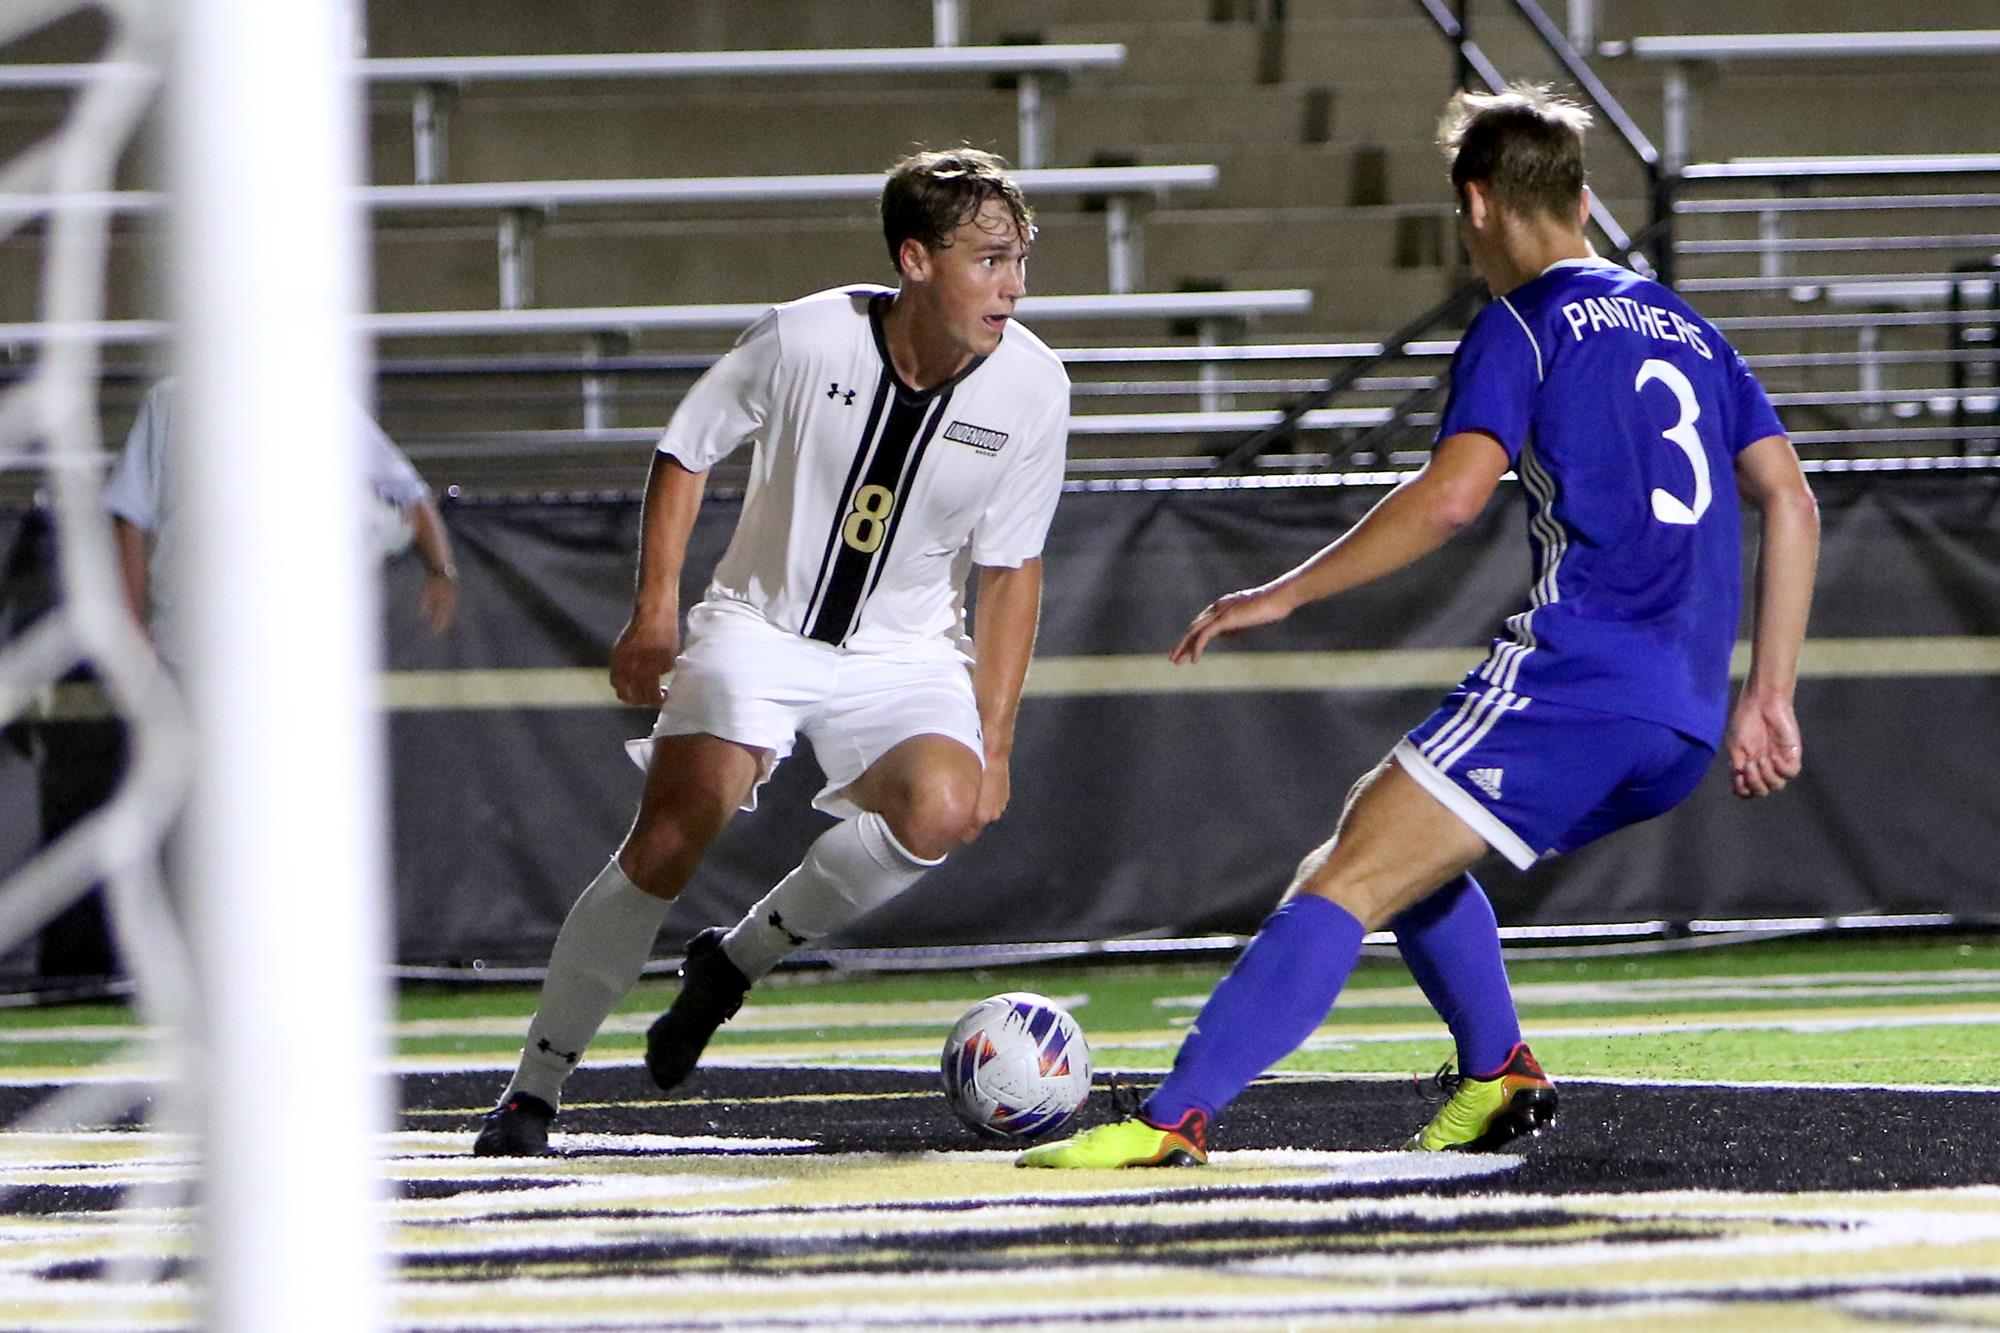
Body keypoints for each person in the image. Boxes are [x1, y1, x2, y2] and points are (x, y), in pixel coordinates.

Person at [1020, 85, 1820, 1169]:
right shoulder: (1689, 329)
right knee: (1396, 839)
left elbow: (1451, 497)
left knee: (1345, 874)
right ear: (1581, 202)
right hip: (1678, 717)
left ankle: (1174, 1118)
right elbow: (1790, 498)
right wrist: (1765, 695)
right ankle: (1496, 1073)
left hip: (1576, 679)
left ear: (1477, 205)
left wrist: (1281, 592)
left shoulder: (1520, 324)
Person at [474, 148, 1069, 1156]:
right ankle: (535, 1087)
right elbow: (686, 445)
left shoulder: (1033, 386)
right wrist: (655, 611)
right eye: (989, 259)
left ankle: (730, 965)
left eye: (1020, 259)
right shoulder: (804, 335)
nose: (1011, 285)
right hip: (761, 626)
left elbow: (1012, 570)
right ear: (915, 260)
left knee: (942, 807)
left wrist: (996, 743)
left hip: (905, 648)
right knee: (672, 833)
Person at [104, 377, 460, 668]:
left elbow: (408, 495)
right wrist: (132, 635)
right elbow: (127, 514)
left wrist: (440, 570)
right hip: (191, 651)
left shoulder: (318, 400)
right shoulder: (169, 401)